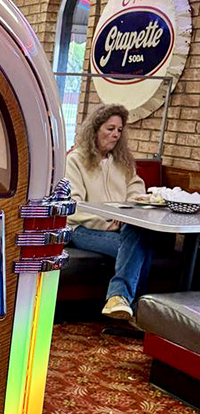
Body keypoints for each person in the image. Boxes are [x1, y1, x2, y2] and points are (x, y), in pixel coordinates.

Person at [66, 103, 154, 320]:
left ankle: (120, 302)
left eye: (119, 130)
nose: (115, 134)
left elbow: (136, 189)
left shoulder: (123, 161)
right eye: (110, 128)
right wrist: (104, 223)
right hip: (83, 228)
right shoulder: (75, 160)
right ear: (95, 129)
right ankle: (132, 310)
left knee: (140, 236)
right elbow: (72, 205)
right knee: (142, 248)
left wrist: (127, 213)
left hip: (121, 228)